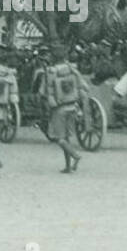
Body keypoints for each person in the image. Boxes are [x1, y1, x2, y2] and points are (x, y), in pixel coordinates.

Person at [38, 45, 87, 174]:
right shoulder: (72, 69)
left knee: (59, 138)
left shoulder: (50, 71)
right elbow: (83, 86)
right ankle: (68, 166)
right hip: (72, 106)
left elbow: (42, 92)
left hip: (59, 108)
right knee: (66, 138)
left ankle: (75, 156)